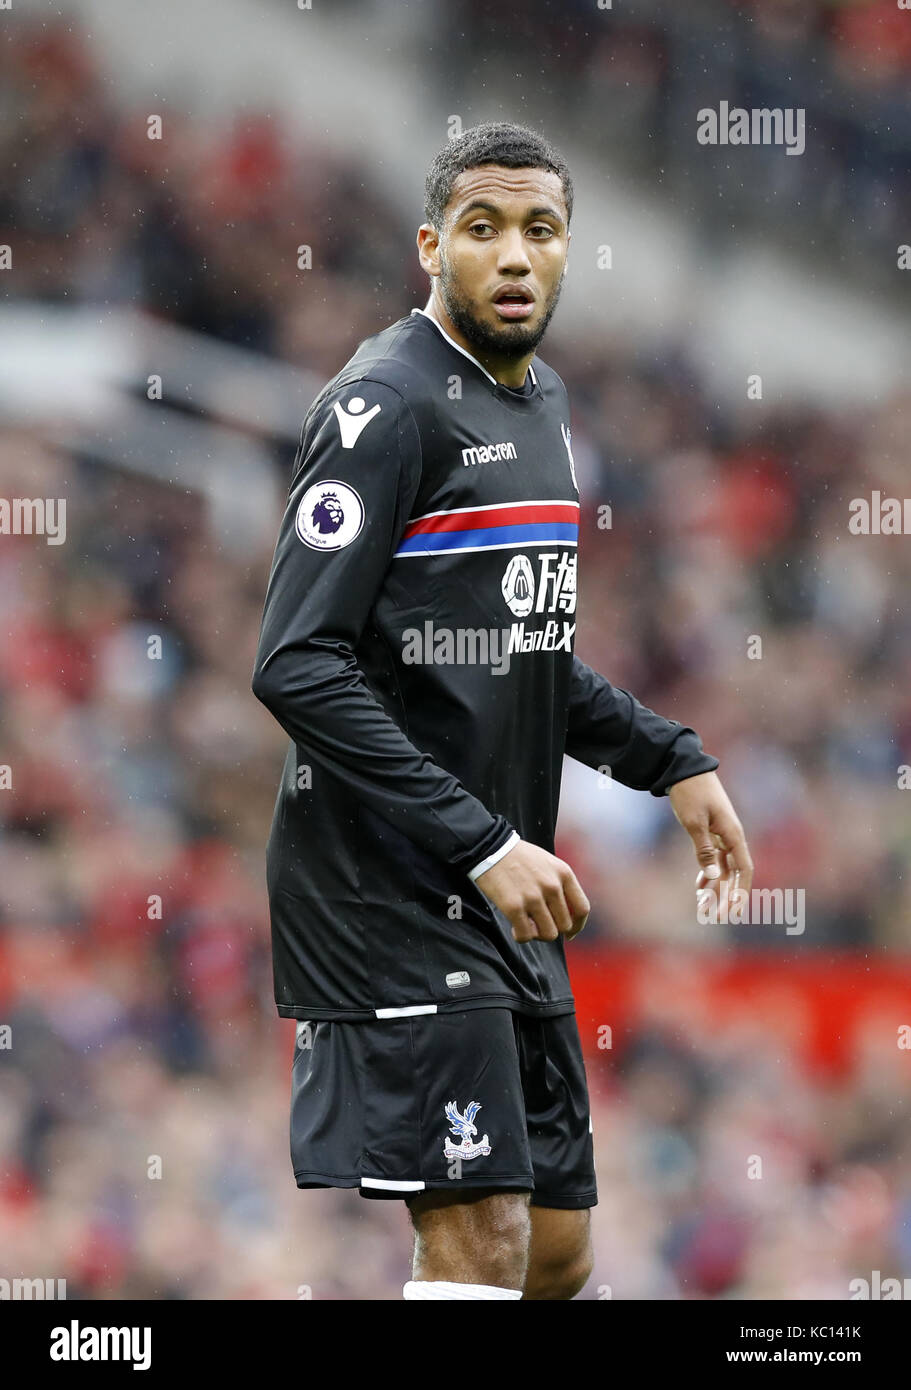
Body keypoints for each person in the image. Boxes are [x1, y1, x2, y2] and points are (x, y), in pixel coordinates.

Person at [251, 121, 753, 1300]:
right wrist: (479, 842)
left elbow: (520, 656)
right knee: (476, 1241)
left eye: (539, 229)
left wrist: (670, 758)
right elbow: (296, 662)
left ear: (570, 248)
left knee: (559, 1249)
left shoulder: (538, 405)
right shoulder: (382, 409)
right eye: (482, 230)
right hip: (389, 889)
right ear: (433, 246)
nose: (514, 255)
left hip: (498, 891)